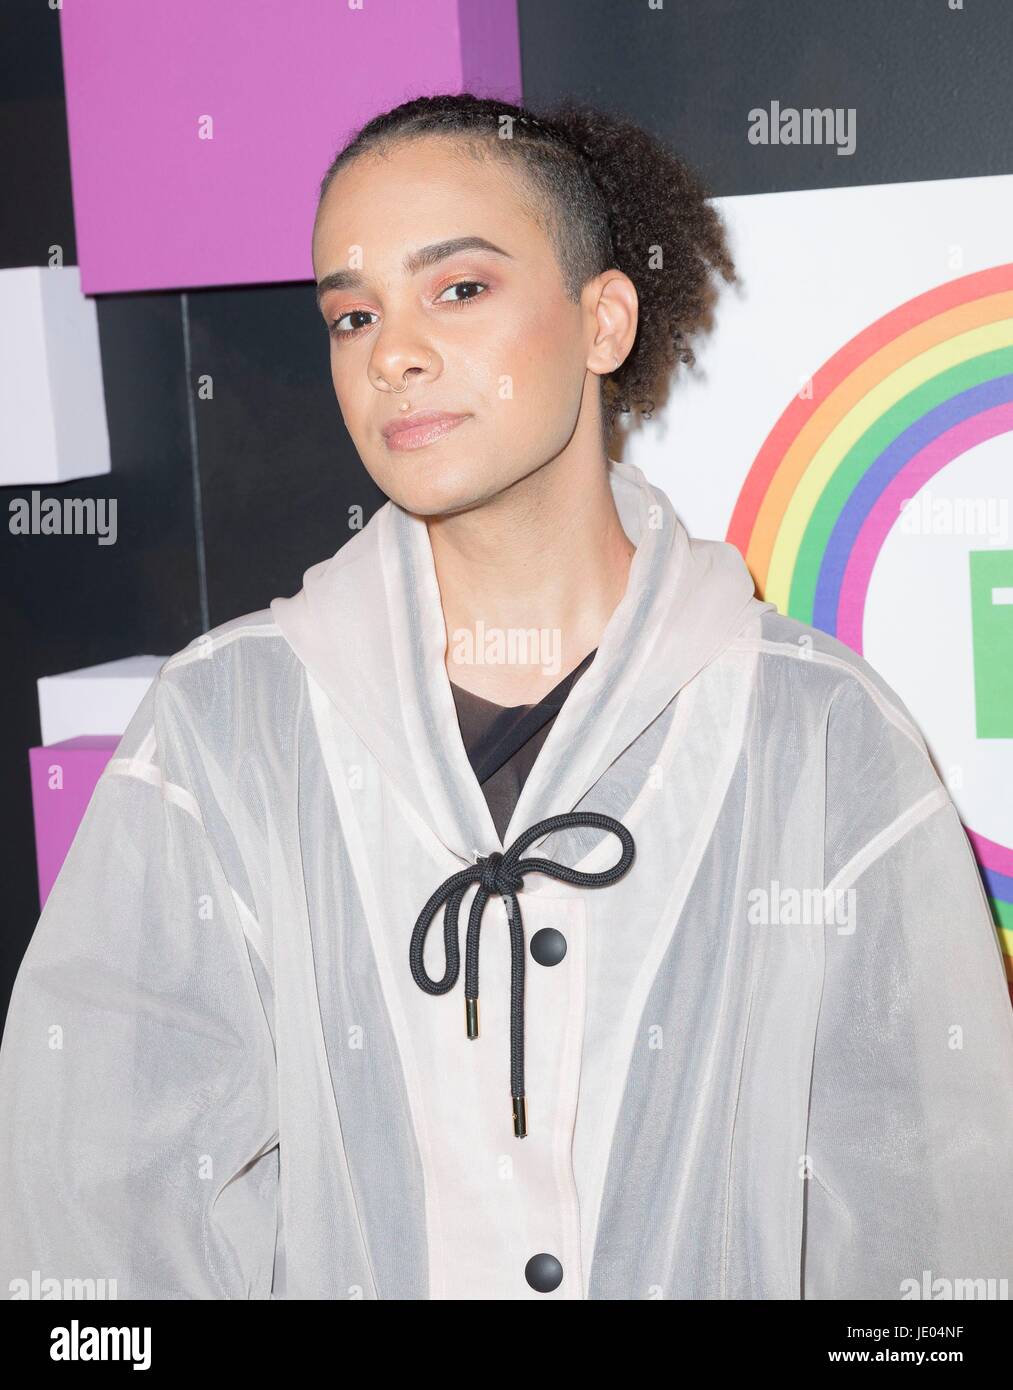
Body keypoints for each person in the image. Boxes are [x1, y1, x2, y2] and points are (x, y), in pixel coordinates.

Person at [2, 92, 1011, 1301]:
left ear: (601, 318)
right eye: (351, 313)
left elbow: (928, 1226)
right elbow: (99, 1215)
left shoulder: (821, 732)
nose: (391, 352)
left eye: (460, 289)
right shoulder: (226, 729)